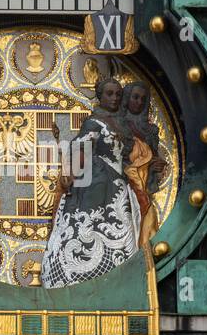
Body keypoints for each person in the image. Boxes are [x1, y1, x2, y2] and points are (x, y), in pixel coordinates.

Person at [41, 78, 141, 288]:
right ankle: (83, 273)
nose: (114, 98)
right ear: (100, 96)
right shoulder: (94, 122)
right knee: (90, 227)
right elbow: (81, 149)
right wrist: (69, 173)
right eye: (109, 94)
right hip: (99, 184)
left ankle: (116, 278)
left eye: (118, 95)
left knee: (121, 230)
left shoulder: (121, 123)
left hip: (119, 185)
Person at [123, 82, 167, 246]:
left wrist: (156, 166)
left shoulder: (151, 131)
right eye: (135, 97)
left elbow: (151, 156)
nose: (139, 102)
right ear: (126, 99)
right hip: (126, 186)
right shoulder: (119, 126)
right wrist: (144, 165)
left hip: (145, 185)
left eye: (143, 99)